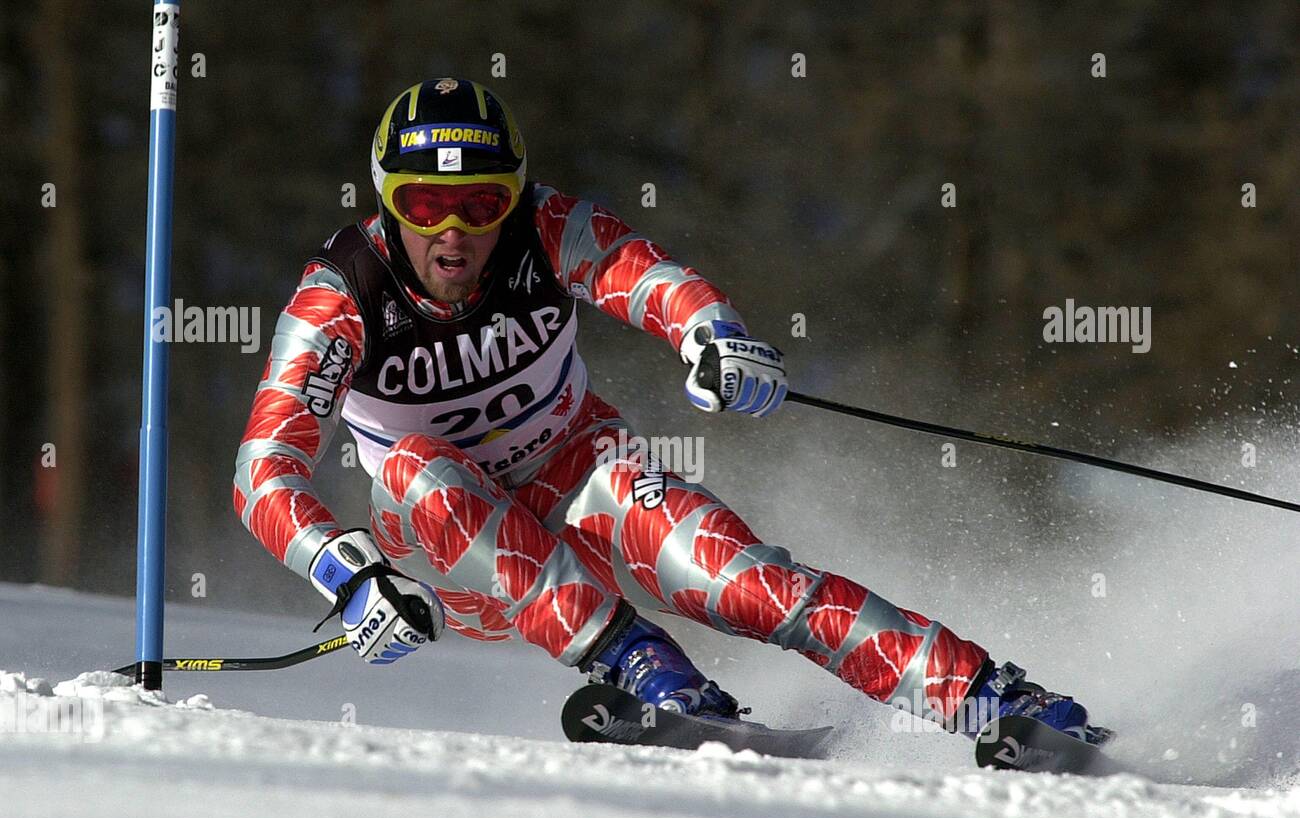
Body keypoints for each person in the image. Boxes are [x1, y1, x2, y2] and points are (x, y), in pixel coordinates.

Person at [234, 77, 1106, 745]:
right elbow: (263, 471)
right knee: (421, 470)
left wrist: (714, 337)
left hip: (581, 474)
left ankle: (989, 696)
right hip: (458, 550)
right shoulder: (341, 299)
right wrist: (347, 579)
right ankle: (646, 669)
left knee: (746, 582)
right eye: (425, 203)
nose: (453, 230)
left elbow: (645, 276)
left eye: (482, 200)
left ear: (515, 197)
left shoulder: (545, 231)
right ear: (388, 200)